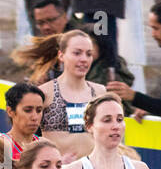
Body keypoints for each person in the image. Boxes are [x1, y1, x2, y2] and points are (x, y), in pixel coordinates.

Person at [13, 30, 107, 161]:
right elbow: (22, 139)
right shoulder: (45, 93)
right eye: (77, 53)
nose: (84, 59)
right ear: (61, 55)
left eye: (88, 54)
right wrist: (54, 162)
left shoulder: (99, 92)